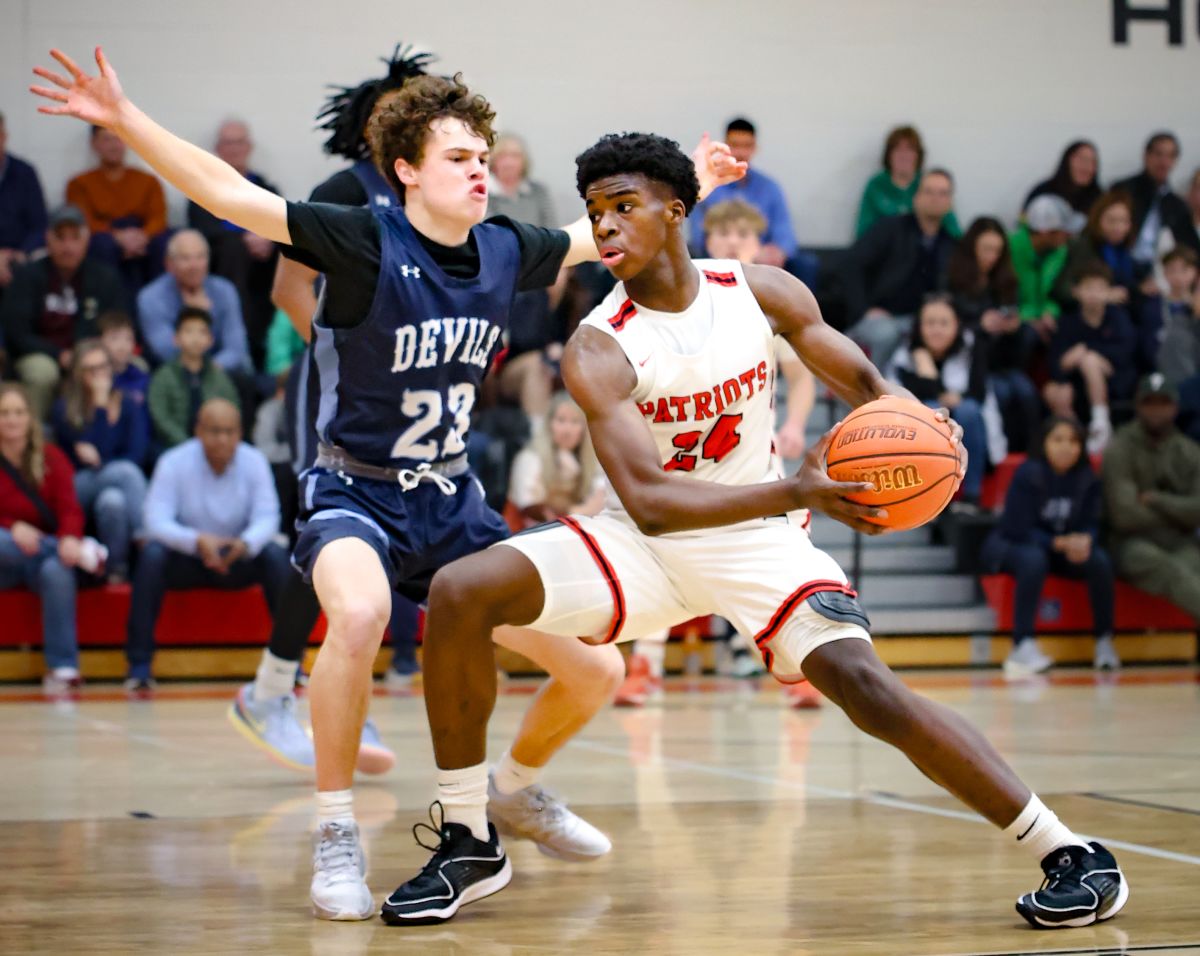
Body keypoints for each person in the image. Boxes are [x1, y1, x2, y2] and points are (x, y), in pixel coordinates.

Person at [30, 46, 745, 920]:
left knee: (595, 666)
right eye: (458, 158)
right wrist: (124, 119)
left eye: (483, 158)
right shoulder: (363, 238)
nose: (479, 172)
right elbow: (228, 194)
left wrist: (694, 181)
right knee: (362, 612)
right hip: (354, 490)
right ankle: (336, 830)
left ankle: (512, 791)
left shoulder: (504, 249)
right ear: (406, 170)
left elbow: (604, 234)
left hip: (452, 502)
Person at [382, 132, 1127, 931]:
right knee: (462, 589)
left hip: (759, 542)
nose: (605, 227)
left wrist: (916, 419)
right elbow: (652, 501)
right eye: (595, 212)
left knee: (869, 689)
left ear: (677, 211)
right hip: (643, 542)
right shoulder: (599, 345)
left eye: (624, 206)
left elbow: (861, 377)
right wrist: (796, 488)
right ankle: (468, 837)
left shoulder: (760, 290)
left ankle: (1071, 853)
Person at [124, 398, 289, 691]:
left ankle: (289, 664)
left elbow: (268, 517)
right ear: (198, 431)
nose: (222, 439)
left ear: (240, 433)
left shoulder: (254, 461)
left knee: (276, 555)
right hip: (189, 557)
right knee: (151, 555)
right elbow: (155, 519)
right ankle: (139, 666)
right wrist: (196, 541)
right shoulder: (173, 461)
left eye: (229, 431)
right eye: (214, 431)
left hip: (237, 556)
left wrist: (245, 543)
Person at [982, 415, 1117, 678]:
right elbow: (1016, 527)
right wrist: (1058, 542)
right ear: (1044, 443)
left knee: (1099, 561)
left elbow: (1092, 522)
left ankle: (1104, 642)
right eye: (1058, 440)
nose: (1066, 447)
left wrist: (1085, 539)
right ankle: (1022, 645)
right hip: (1012, 545)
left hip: (1058, 549)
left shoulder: (1087, 477)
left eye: (1073, 441)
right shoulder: (1029, 473)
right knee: (1033, 560)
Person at [0, 205, 127, 420]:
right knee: (41, 372)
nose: (68, 246)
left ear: (86, 240)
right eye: (60, 238)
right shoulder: (27, 276)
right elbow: (17, 333)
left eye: (75, 238)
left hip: (90, 353)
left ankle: (112, 431)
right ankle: (34, 432)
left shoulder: (105, 278)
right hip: (40, 355)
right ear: (48, 239)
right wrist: (58, 355)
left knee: (129, 364)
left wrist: (85, 354)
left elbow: (115, 324)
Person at [0, 383, 85, 695]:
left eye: (18, 412)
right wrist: (13, 527)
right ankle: (82, 555)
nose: (12, 419)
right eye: (4, 413)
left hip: (40, 559)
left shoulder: (52, 457)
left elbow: (70, 508)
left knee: (57, 570)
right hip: (6, 558)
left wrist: (70, 538)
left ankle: (63, 667)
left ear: (30, 418)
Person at [1103, 373, 1200, 623]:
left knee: (1188, 566)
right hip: (1132, 544)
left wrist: (1158, 500)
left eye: (1163, 403)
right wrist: (1180, 515)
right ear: (1138, 406)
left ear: (1175, 407)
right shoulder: (1120, 448)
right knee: (1171, 570)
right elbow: (1125, 515)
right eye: (1149, 403)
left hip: (1181, 543)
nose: (1156, 410)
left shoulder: (1189, 451)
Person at [887, 294, 1000, 508]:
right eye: (930, 323)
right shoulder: (905, 356)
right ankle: (931, 497)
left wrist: (953, 399)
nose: (936, 330)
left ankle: (971, 497)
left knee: (968, 410)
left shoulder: (972, 346)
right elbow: (903, 400)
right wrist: (926, 366)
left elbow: (979, 393)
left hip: (971, 427)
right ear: (919, 326)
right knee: (931, 412)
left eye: (944, 323)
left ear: (957, 325)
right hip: (919, 436)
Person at [50, 338, 149, 581]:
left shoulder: (128, 403)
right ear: (78, 373)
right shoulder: (65, 409)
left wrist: (104, 463)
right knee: (124, 471)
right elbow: (92, 459)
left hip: (119, 483)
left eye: (104, 366)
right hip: (77, 487)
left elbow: (137, 453)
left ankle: (116, 569)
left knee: (112, 501)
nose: (100, 375)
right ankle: (147, 540)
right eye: (91, 369)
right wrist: (101, 406)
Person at [841, 169, 958, 372]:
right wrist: (863, 309)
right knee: (886, 333)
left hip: (921, 319)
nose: (935, 198)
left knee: (943, 332)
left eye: (942, 193)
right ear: (916, 197)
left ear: (950, 202)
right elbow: (851, 265)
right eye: (929, 191)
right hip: (880, 317)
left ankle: (929, 389)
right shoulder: (889, 229)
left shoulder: (951, 245)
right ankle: (872, 389)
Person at [187, 119, 280, 369]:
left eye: (239, 142)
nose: (234, 148)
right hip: (225, 264)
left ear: (249, 147)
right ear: (218, 148)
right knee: (233, 249)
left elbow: (281, 220)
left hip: (263, 265)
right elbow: (203, 229)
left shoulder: (265, 187)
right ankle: (244, 339)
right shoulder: (202, 188)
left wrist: (268, 238)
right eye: (228, 143)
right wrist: (244, 239)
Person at [945, 217, 1039, 453]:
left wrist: (1014, 329)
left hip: (1002, 359)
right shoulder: (952, 279)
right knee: (1001, 392)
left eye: (997, 250)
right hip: (970, 363)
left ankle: (1028, 452)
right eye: (986, 249)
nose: (992, 256)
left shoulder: (1006, 281)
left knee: (1026, 391)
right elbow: (944, 328)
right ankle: (997, 454)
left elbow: (1018, 350)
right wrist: (979, 325)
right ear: (972, 248)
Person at [1044, 263, 1137, 455]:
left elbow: (1125, 354)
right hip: (1077, 382)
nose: (1094, 294)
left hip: (1114, 380)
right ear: (1075, 291)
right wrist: (1065, 366)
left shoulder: (1118, 318)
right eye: (1088, 288)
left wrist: (1087, 349)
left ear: (1109, 291)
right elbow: (1055, 362)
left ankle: (1101, 425)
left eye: (1099, 288)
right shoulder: (1068, 322)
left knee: (1090, 361)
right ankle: (1072, 434)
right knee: (1052, 390)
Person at [66, 124, 169, 294]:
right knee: (102, 244)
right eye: (106, 139)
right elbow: (83, 221)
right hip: (106, 237)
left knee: (165, 242)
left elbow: (159, 218)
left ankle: (159, 300)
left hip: (142, 235)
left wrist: (143, 236)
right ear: (94, 143)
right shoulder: (79, 184)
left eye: (118, 139)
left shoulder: (148, 181)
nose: (114, 146)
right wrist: (118, 237)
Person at [689, 118, 799, 271]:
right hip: (716, 255)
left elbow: (784, 234)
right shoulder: (709, 184)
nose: (741, 152)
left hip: (761, 260)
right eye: (735, 145)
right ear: (725, 146)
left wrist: (773, 252)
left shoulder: (770, 188)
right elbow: (699, 234)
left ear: (755, 148)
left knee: (803, 265)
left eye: (746, 146)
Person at [137, 229, 251, 371]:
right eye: (185, 258)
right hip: (177, 373)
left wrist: (209, 374)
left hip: (224, 371)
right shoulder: (151, 297)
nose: (194, 266)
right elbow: (166, 351)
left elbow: (236, 348)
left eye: (200, 257)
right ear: (169, 264)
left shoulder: (225, 290)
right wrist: (193, 315)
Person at [507, 392, 605, 527]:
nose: (567, 430)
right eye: (561, 420)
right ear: (549, 424)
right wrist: (577, 510)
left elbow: (599, 501)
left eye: (575, 422)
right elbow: (530, 507)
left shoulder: (592, 461)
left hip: (572, 528)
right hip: (528, 530)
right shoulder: (530, 458)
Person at [146, 307, 239, 448]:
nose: (195, 338)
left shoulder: (220, 378)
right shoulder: (163, 377)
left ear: (210, 340)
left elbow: (232, 412)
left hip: (214, 447)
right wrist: (186, 445)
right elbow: (160, 417)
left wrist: (212, 441)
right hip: (173, 447)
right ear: (176, 339)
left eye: (202, 332)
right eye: (189, 331)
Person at [1111, 132, 1200, 268]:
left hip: (1161, 270)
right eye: (1159, 154)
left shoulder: (1177, 204)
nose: (1164, 162)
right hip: (1121, 263)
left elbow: (1187, 246)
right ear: (1146, 156)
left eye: (1170, 156)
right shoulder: (1124, 190)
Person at [855, 125, 960, 238]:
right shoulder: (876, 185)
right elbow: (863, 233)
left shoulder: (929, 184)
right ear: (888, 155)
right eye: (898, 149)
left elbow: (953, 231)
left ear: (918, 155)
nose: (904, 155)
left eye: (910, 149)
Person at [1054, 191, 1146, 309]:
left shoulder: (1123, 251)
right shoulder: (1083, 246)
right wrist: (1101, 295)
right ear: (1098, 219)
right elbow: (1062, 288)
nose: (1118, 227)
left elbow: (1128, 284)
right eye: (1112, 220)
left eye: (1124, 221)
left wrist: (1142, 287)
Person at [1010, 195, 1072, 342]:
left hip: (1045, 317)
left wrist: (1049, 311)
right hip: (1017, 318)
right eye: (1064, 231)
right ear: (1045, 232)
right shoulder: (1010, 249)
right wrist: (1027, 318)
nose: (1069, 235)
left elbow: (1057, 291)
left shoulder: (1060, 251)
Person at [0, 109, 49, 290]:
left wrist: (16, 254)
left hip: (20, 255)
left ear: (4, 136)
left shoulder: (25, 173)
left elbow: (40, 225)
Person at [1023, 141, 1103, 234]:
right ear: (1067, 161)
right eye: (1082, 160)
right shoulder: (1042, 191)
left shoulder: (1100, 199)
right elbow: (1023, 225)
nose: (1086, 167)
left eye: (1093, 162)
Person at [1155, 248, 1200, 396]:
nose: (1178, 276)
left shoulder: (1195, 309)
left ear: (1195, 272)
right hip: (1165, 371)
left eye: (1184, 270)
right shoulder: (1153, 305)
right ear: (1164, 273)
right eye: (1172, 270)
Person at [96, 309, 150, 404]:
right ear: (99, 341)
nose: (122, 346)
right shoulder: (93, 379)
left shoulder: (142, 379)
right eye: (114, 338)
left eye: (128, 339)